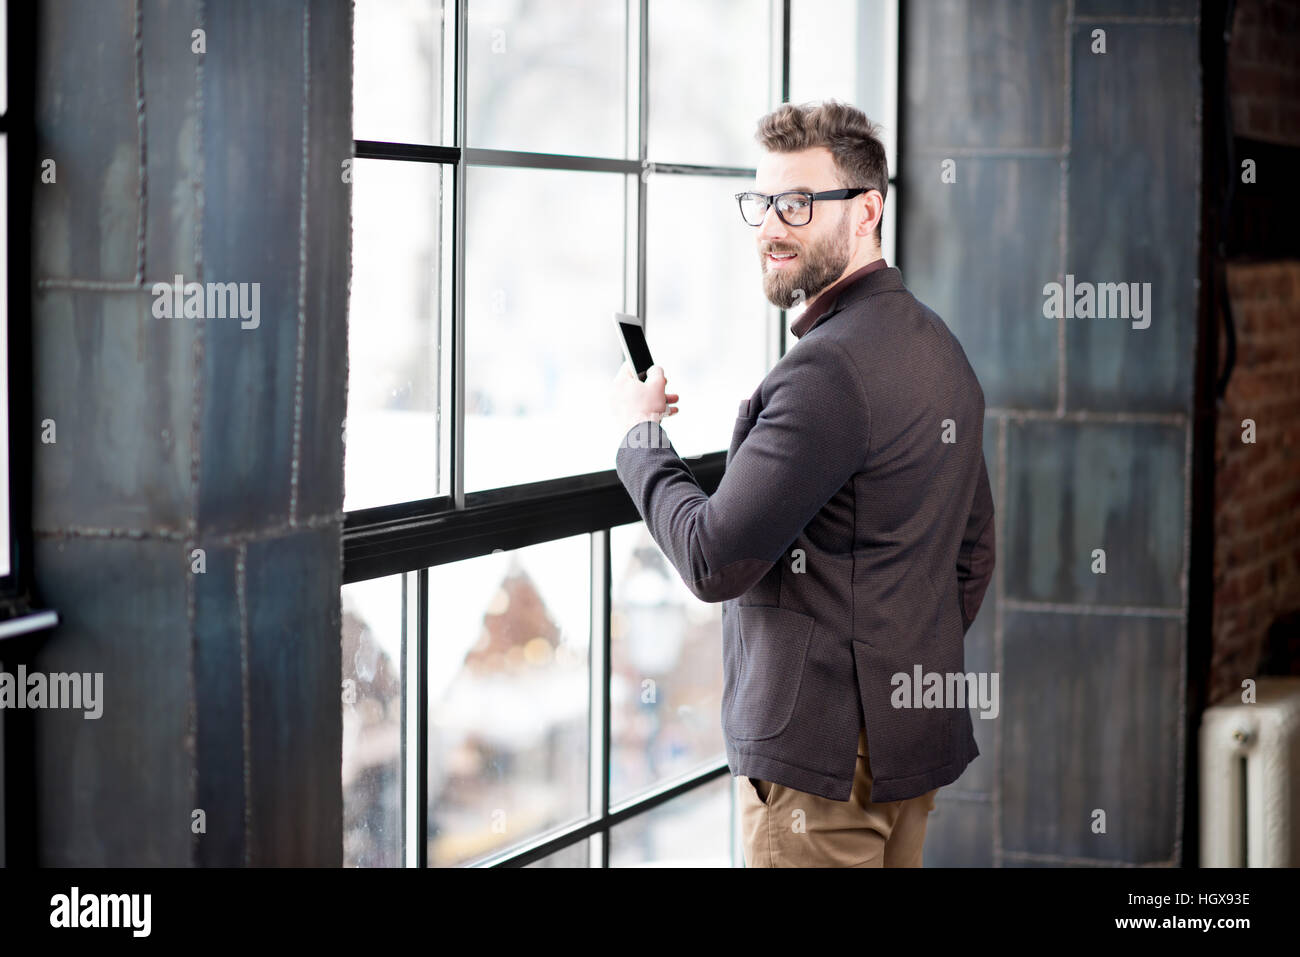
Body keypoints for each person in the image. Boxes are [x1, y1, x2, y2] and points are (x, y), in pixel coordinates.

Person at [609, 99, 995, 867]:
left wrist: (640, 438)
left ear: (867, 211)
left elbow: (712, 556)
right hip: (905, 753)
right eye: (761, 202)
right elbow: (971, 555)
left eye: (796, 204)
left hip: (820, 778)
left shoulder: (825, 371)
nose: (770, 227)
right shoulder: (938, 345)